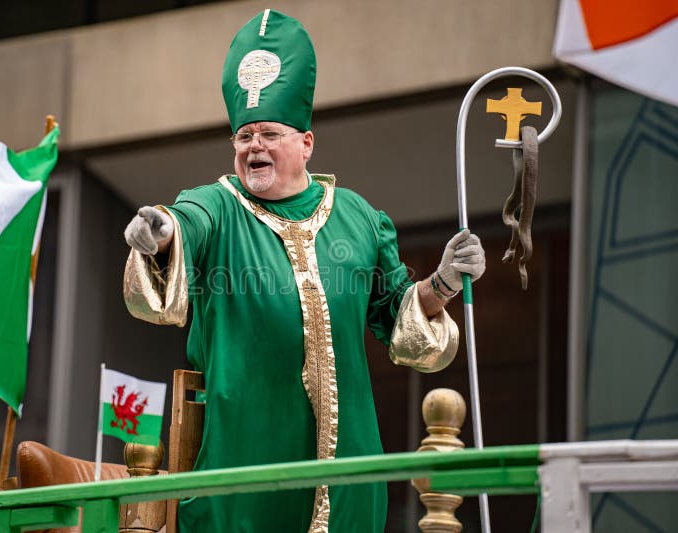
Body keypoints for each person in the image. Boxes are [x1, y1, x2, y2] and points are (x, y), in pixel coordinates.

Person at [123, 9, 485, 533]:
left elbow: (399, 317)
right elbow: (182, 226)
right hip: (241, 480)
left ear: (306, 144)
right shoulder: (217, 207)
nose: (254, 146)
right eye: (244, 135)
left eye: (269, 133)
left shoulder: (359, 217)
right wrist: (159, 235)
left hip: (349, 482)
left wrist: (443, 283)